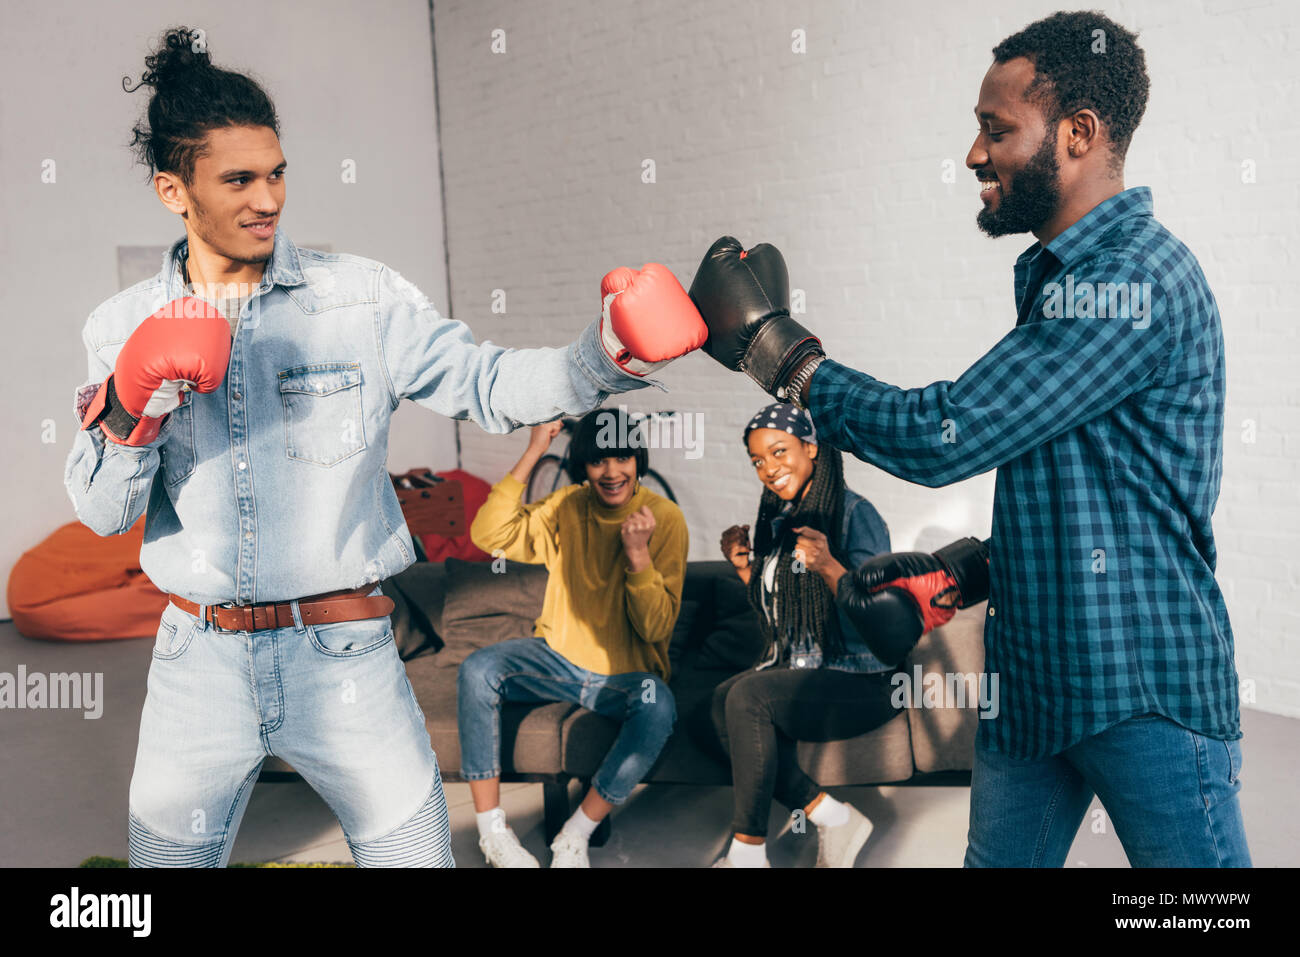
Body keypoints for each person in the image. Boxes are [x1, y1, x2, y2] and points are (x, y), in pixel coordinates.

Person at [64, 27, 704, 868]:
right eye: (239, 180)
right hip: (199, 663)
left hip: (345, 654)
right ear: (172, 190)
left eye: (278, 172)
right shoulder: (119, 328)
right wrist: (129, 400)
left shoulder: (360, 300)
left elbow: (485, 382)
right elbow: (105, 512)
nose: (268, 199)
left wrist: (605, 354)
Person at [688, 11, 1249, 867]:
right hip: (1031, 683)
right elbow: (1092, 479)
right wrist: (970, 568)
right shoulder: (1063, 279)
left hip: (1143, 687)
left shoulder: (1132, 278)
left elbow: (945, 432)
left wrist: (779, 352)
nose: (973, 154)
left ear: (1079, 133)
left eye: (996, 129)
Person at [460, 407, 687, 867]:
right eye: (598, 461)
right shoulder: (566, 507)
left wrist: (637, 555)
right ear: (582, 467)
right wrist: (534, 451)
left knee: (658, 704)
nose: (611, 472)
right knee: (477, 670)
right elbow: (490, 535)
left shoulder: (665, 519)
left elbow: (656, 627)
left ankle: (574, 834)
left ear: (637, 462)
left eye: (622, 458)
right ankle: (493, 833)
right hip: (559, 661)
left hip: (626, 676)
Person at [695, 402, 899, 868]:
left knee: (748, 697)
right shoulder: (778, 522)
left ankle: (746, 854)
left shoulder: (855, 515)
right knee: (716, 705)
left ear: (811, 447)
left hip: (865, 679)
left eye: (779, 451)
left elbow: (879, 620)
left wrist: (829, 565)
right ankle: (833, 817)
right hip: (806, 670)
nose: (769, 468)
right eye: (758, 460)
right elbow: (781, 621)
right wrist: (746, 568)